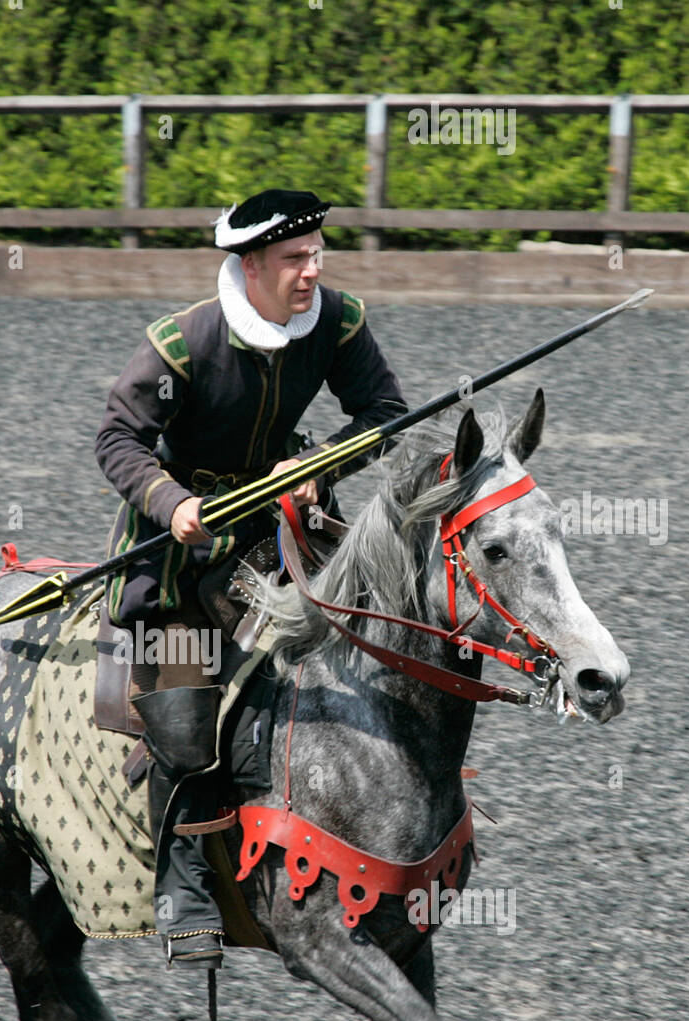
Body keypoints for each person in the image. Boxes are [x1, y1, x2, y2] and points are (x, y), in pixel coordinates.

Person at [94, 188, 409, 970]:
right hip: (178, 556)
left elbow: (383, 410)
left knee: (353, 666)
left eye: (317, 256)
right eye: (296, 260)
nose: (313, 272)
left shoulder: (335, 322)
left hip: (278, 537)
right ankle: (183, 889)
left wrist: (318, 462)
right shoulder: (181, 342)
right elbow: (117, 438)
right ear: (252, 264)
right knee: (184, 718)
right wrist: (172, 504)